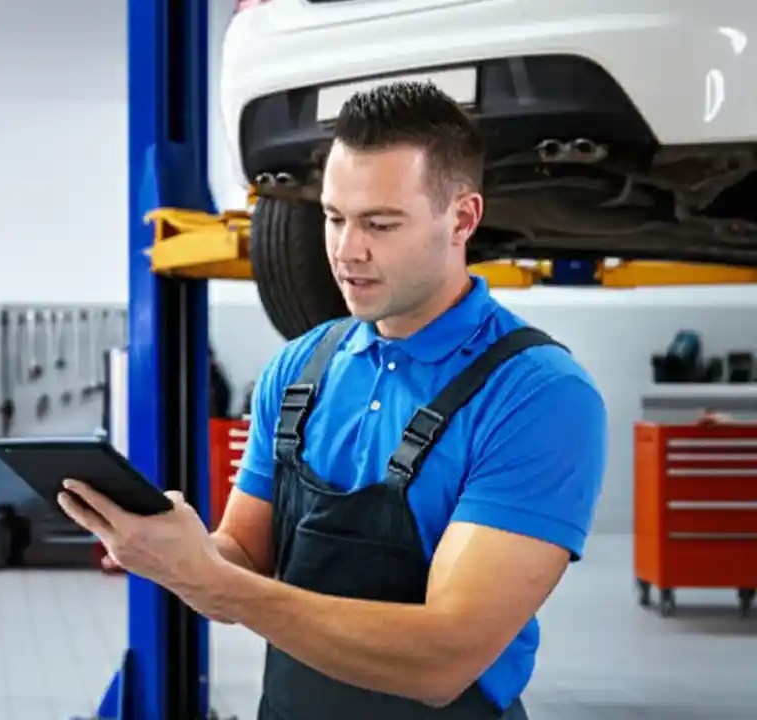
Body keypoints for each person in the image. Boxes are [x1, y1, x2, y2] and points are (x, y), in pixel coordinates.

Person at [58, 81, 606, 719]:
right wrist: (176, 554)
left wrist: (217, 584)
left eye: (380, 223)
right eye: (334, 217)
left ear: (462, 218)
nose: (347, 251)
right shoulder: (299, 368)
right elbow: (242, 560)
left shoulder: (535, 395)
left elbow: (443, 661)